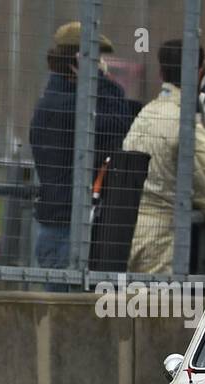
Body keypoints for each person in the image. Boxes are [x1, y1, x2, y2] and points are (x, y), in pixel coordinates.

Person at [123, 38, 205, 274]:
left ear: (161, 72)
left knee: (126, 306)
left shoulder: (146, 113)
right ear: (199, 72)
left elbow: (191, 185)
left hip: (129, 231)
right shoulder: (186, 125)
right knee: (156, 308)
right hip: (160, 240)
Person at [28, 22, 139, 288]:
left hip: (60, 227)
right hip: (67, 232)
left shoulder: (55, 99)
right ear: (79, 61)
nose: (101, 65)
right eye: (96, 60)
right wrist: (99, 80)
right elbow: (118, 124)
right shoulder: (71, 108)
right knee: (68, 322)